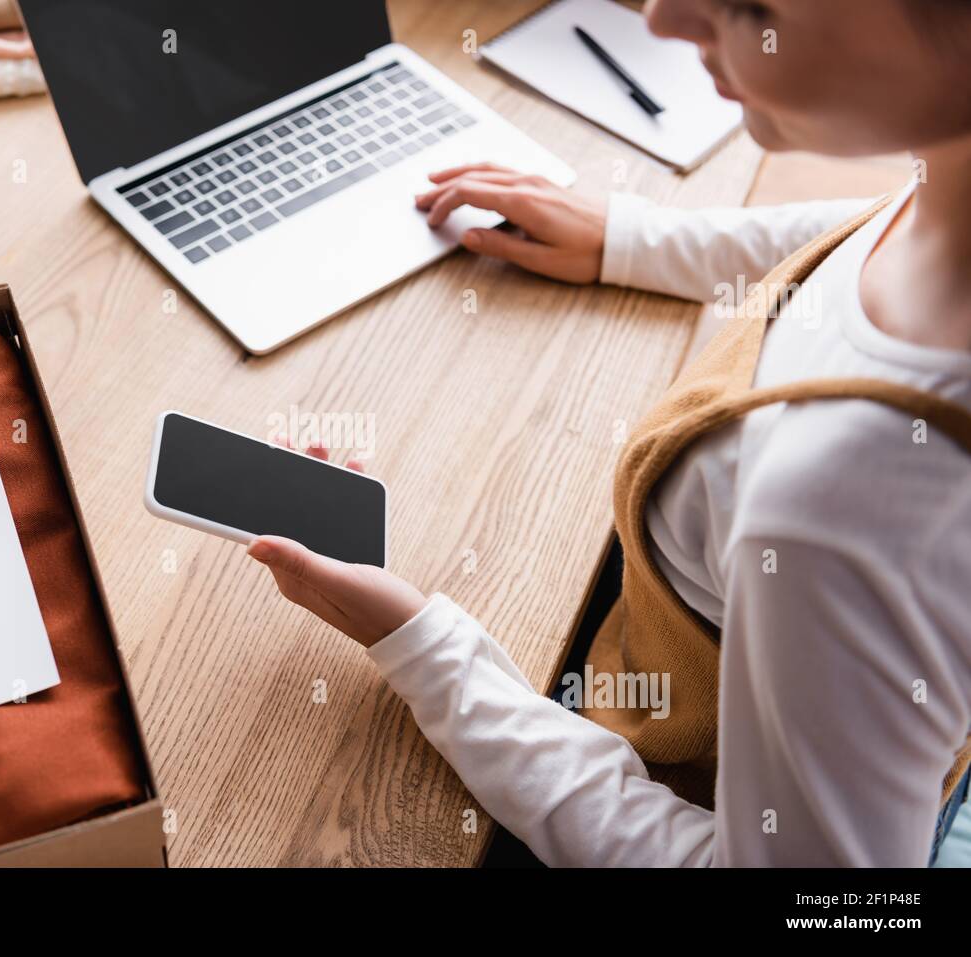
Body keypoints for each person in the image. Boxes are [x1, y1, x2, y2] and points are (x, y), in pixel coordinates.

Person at [245, 0, 971, 866]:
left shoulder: (831, 517)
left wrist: (432, 653)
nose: (664, 18)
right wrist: (635, 240)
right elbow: (888, 226)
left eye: (751, 7)